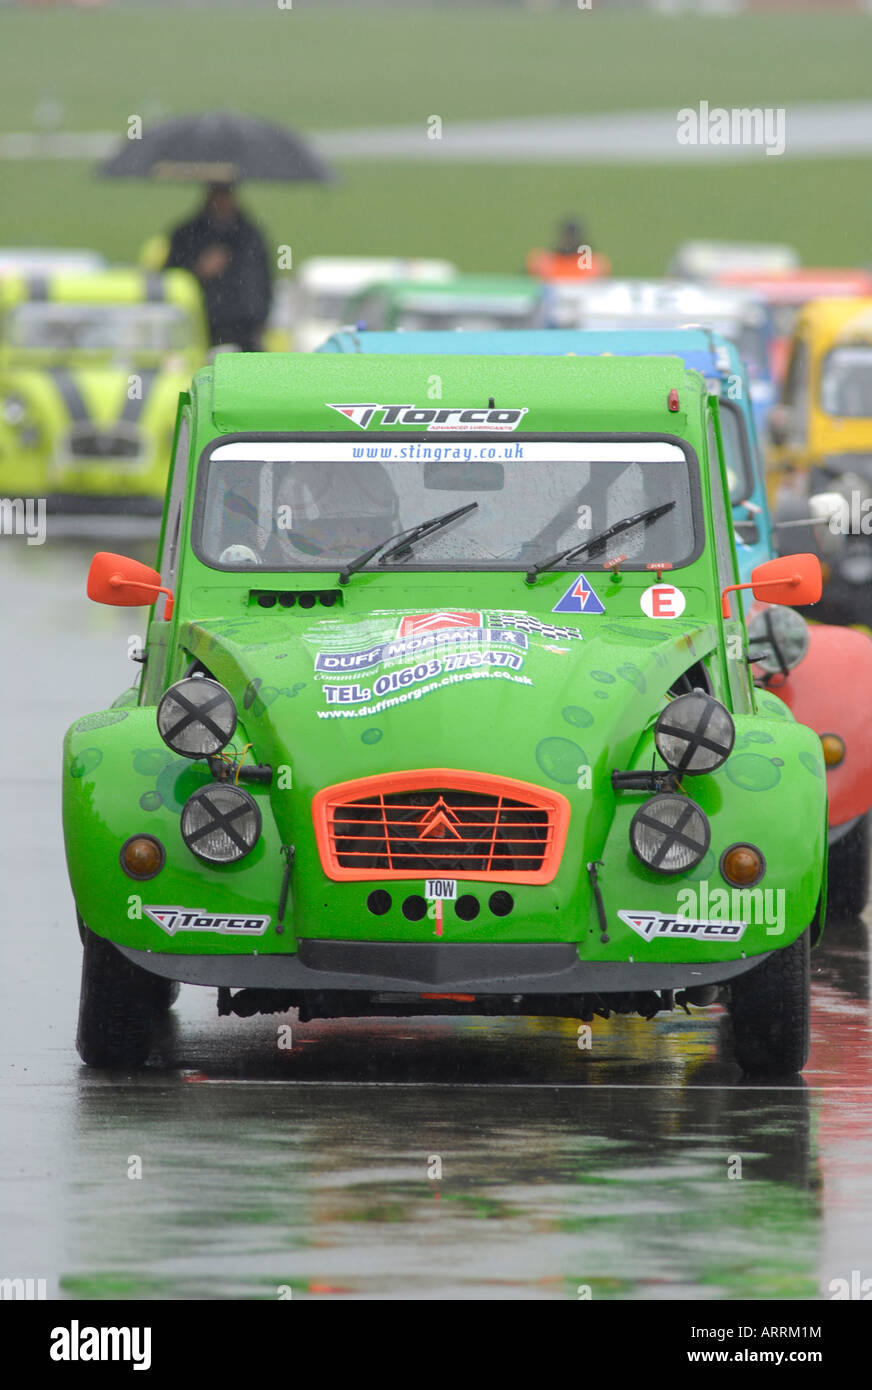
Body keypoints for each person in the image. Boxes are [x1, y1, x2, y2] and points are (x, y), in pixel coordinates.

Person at [163, 183, 272, 350]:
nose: (223, 201)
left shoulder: (251, 237)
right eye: (218, 194)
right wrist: (198, 270)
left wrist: (260, 321)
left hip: (244, 333)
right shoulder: (185, 235)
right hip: (201, 331)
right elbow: (169, 282)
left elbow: (263, 283)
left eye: (226, 194)